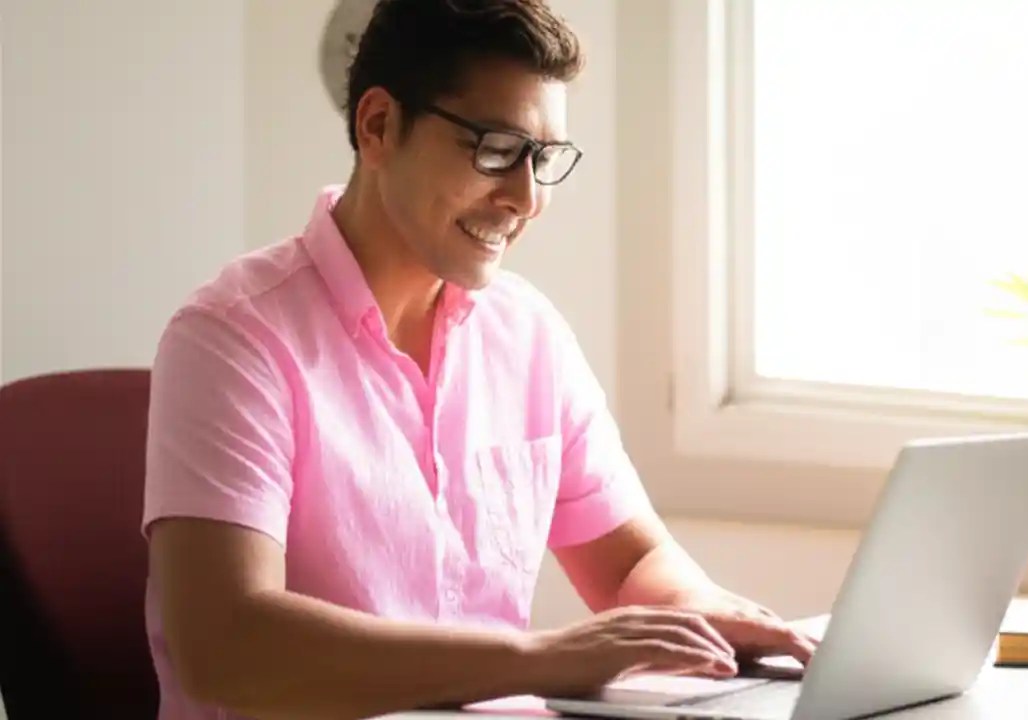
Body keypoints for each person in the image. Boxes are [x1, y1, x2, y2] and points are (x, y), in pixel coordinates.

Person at [142, 1, 815, 718]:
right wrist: (542, 660)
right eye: (495, 148)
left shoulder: (527, 336)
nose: (525, 198)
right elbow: (227, 647)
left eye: (545, 158)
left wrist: (700, 618)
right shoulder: (234, 339)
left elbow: (630, 564)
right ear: (377, 126)